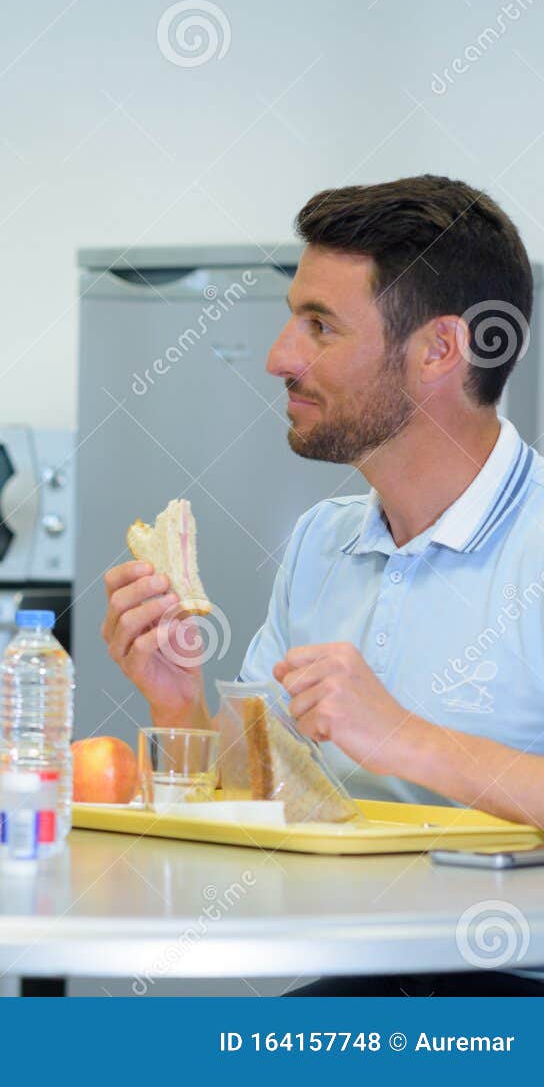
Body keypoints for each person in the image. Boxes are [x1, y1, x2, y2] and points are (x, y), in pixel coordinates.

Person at [101, 174, 544, 995]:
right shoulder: (323, 542)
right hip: (352, 975)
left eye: (320, 326)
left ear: (441, 350)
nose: (280, 357)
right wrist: (176, 700)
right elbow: (263, 793)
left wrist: (405, 738)